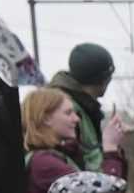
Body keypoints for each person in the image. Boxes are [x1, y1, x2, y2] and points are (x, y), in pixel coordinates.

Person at [25, 85, 127, 193]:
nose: (77, 119)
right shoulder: (44, 163)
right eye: (68, 113)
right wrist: (110, 148)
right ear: (46, 119)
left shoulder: (63, 155)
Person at [47, 43, 118, 171]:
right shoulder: (71, 110)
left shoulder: (76, 104)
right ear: (103, 80)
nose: (74, 119)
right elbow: (88, 169)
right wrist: (111, 147)